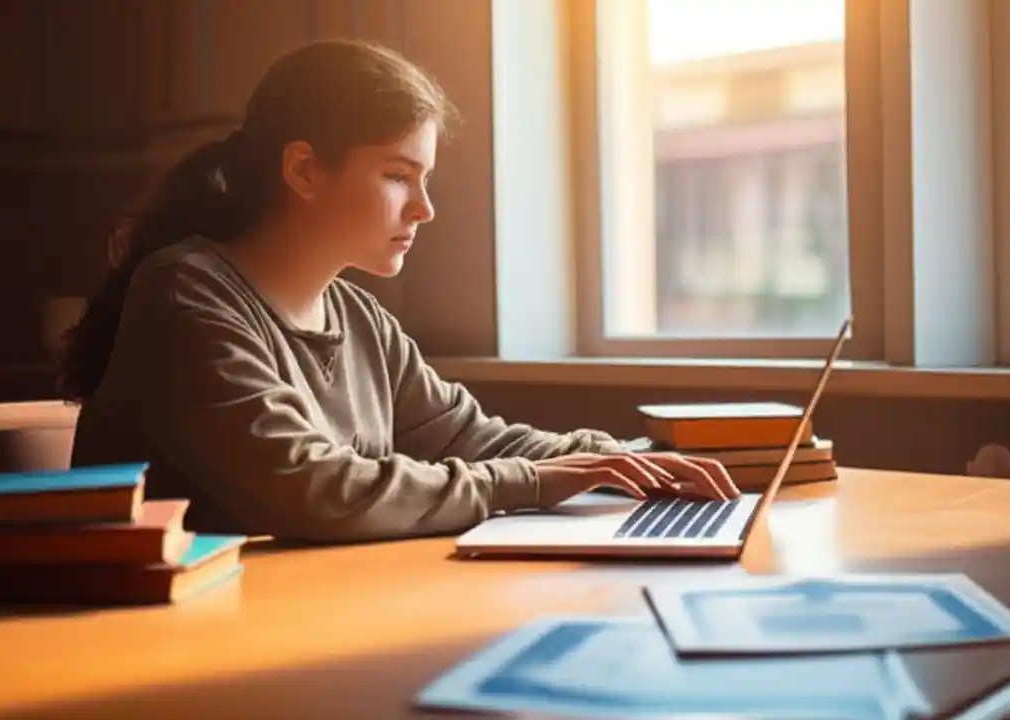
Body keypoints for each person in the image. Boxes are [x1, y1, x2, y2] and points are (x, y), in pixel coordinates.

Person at [60, 39, 738, 544]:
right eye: (397, 175)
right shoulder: (186, 293)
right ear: (303, 169)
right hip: (163, 646)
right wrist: (534, 482)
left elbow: (468, 438)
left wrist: (615, 458)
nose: (424, 209)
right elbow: (309, 489)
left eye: (426, 179)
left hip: (301, 616)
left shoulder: (359, 317)